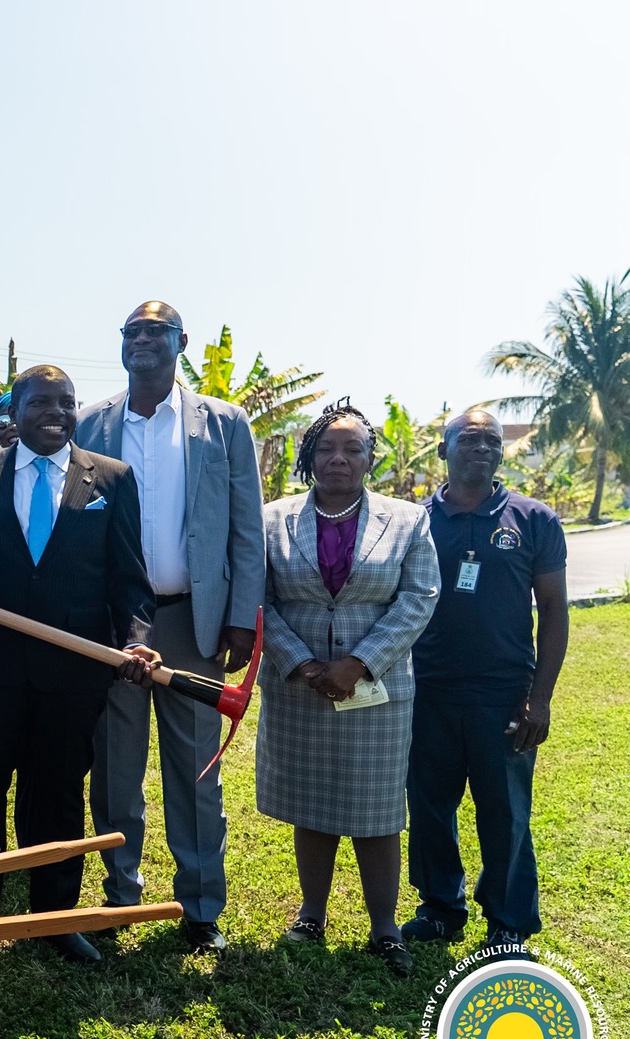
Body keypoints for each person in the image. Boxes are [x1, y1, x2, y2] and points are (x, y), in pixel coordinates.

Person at [0, 364, 159, 965]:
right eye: (41, 402)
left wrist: (135, 639)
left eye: (67, 402)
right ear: (16, 410)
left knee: (58, 792)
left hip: (72, 672)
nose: (56, 412)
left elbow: (131, 581)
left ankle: (54, 916)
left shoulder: (110, 479)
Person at [75, 302, 265, 955]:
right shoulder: (89, 424)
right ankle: (120, 897)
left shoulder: (224, 425)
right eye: (133, 331)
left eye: (157, 331)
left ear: (183, 342)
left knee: (195, 769)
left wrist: (243, 618)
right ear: (121, 345)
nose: (144, 340)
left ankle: (201, 906)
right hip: (113, 627)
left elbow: (247, 526)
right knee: (116, 768)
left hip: (193, 622)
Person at [255, 399, 438, 977]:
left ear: (368, 459)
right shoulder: (272, 518)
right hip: (299, 685)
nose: (338, 457)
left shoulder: (408, 520)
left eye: (352, 448)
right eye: (326, 448)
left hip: (376, 688)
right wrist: (305, 665)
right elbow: (258, 598)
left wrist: (357, 663)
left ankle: (384, 927)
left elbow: (420, 598)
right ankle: (312, 914)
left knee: (378, 807)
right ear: (308, 455)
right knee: (314, 801)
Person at [401, 409, 566, 953]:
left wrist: (538, 699)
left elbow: (555, 612)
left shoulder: (533, 520)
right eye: (468, 439)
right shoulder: (413, 521)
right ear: (443, 450)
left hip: (504, 693)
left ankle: (508, 919)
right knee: (428, 807)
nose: (482, 448)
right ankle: (440, 908)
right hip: (427, 690)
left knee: (505, 810)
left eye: (491, 441)